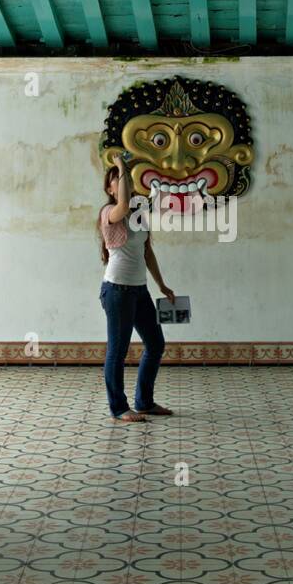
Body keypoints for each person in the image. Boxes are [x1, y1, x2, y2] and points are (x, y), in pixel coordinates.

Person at [97, 159, 175, 423]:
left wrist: (161, 284)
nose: (127, 182)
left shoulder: (139, 214)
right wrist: (120, 164)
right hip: (117, 290)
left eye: (128, 179)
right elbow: (122, 205)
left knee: (155, 343)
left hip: (139, 290)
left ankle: (144, 402)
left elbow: (147, 252)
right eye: (120, 180)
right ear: (110, 188)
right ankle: (119, 408)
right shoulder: (109, 211)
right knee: (118, 350)